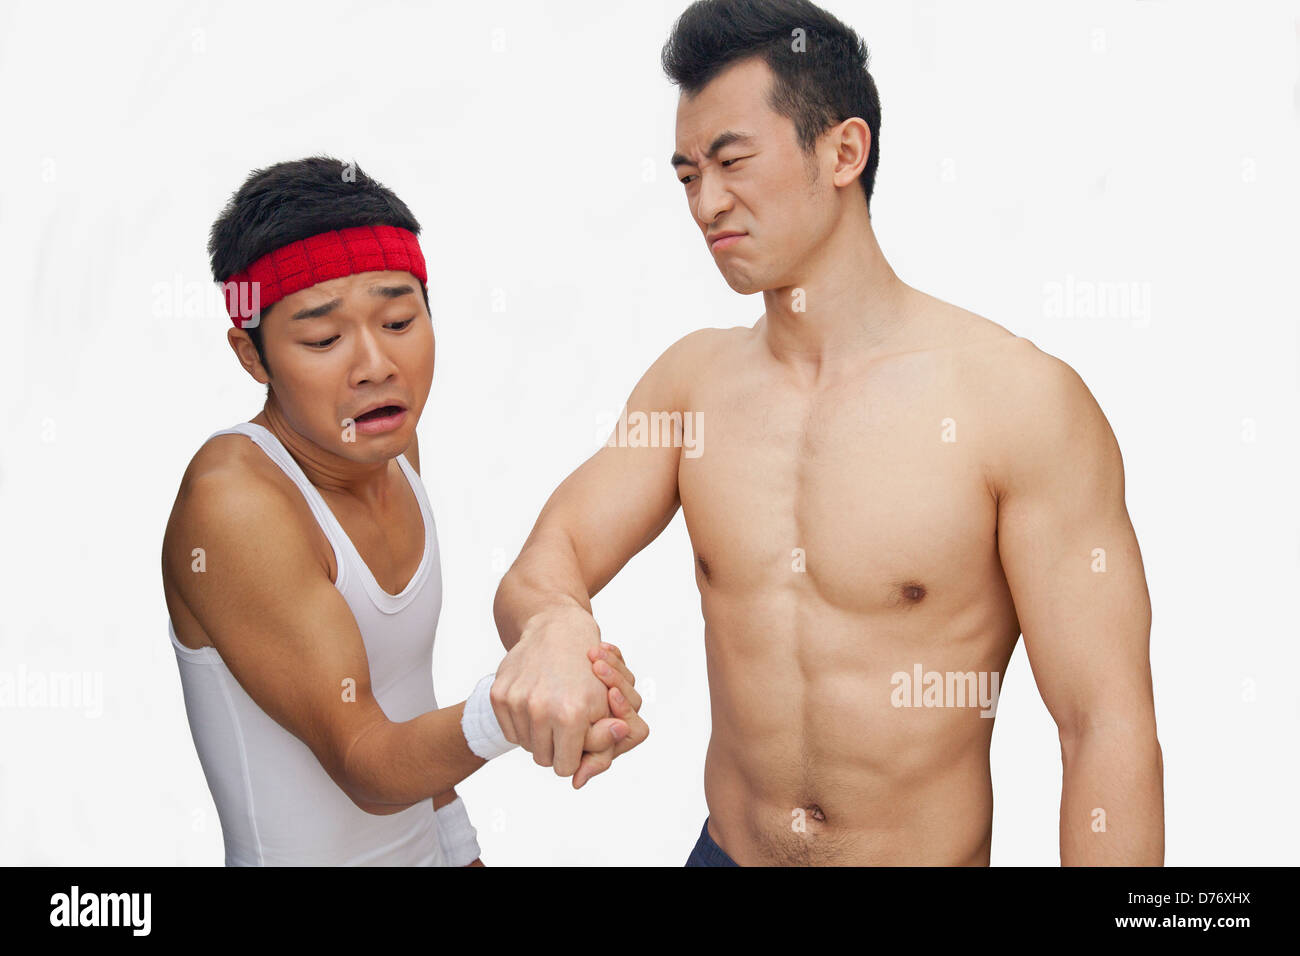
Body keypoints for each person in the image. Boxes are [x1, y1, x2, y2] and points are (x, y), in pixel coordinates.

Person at [491, 0, 1163, 865]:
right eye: (688, 174)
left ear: (844, 151)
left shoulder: (1018, 401)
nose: (706, 203)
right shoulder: (691, 384)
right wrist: (553, 624)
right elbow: (544, 565)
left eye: (732, 161)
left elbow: (1105, 726)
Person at [161, 157, 646, 866]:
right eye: (324, 340)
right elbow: (364, 759)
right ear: (252, 356)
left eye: (397, 319)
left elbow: (406, 707)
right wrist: (520, 704)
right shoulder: (233, 503)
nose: (376, 365)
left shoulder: (386, 443)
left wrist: (463, 851)